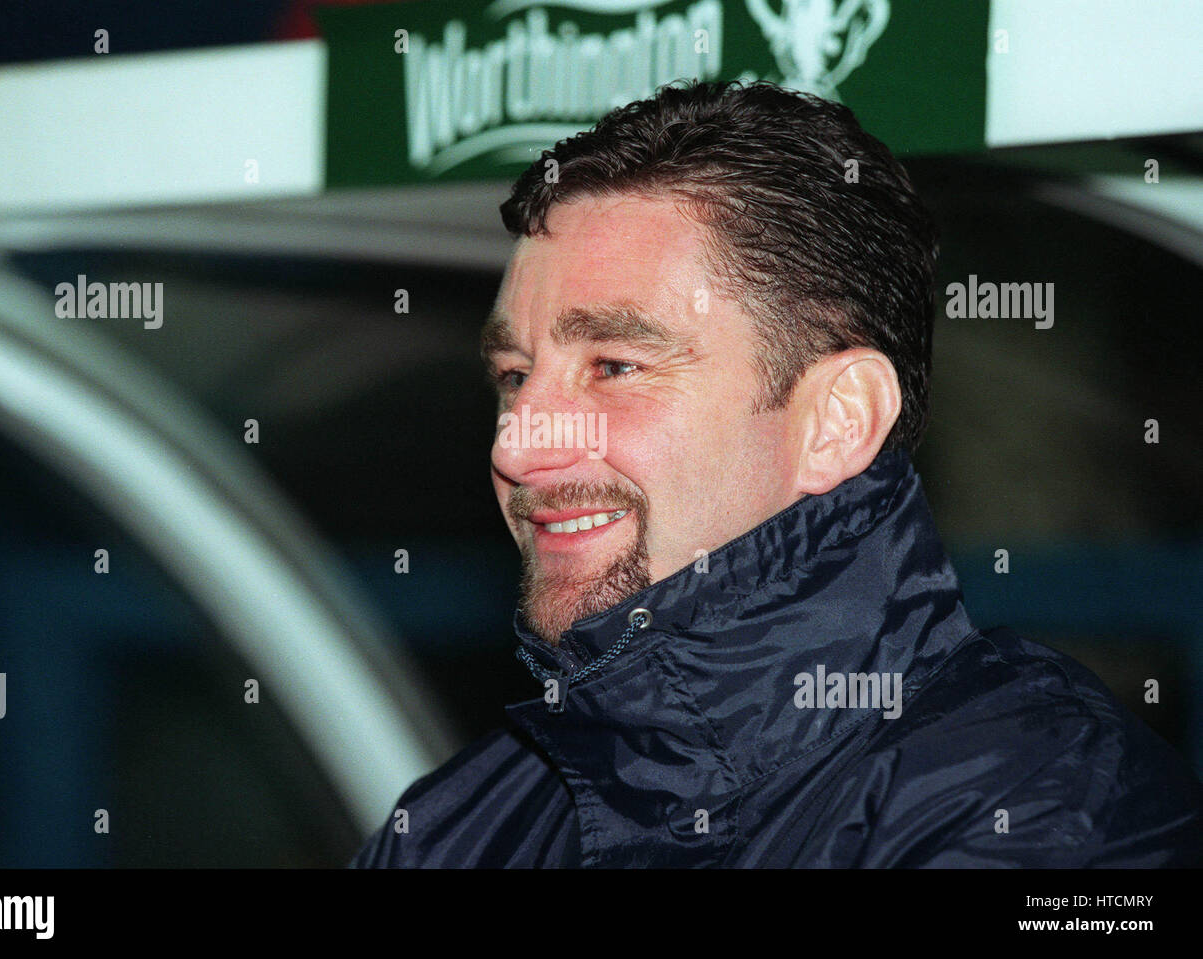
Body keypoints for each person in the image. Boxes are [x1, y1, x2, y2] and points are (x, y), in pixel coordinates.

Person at [352, 79, 1203, 867]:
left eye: (614, 366)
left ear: (837, 422)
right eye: (512, 376)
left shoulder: (1060, 812)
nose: (517, 444)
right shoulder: (452, 830)